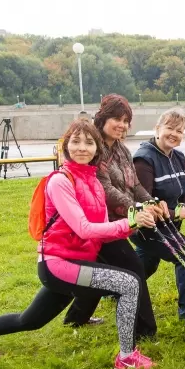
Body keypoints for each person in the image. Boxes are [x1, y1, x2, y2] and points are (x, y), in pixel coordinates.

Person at [0, 119, 156, 369]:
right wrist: (128, 223)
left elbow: (101, 233)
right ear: (66, 146)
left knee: (29, 320)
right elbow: (83, 228)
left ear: (97, 149)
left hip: (74, 264)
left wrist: (137, 223)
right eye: (76, 141)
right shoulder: (60, 181)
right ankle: (126, 357)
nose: (82, 147)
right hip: (58, 264)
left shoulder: (93, 181)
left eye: (89, 142)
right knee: (129, 283)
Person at [63, 94, 158, 340]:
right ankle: (145, 331)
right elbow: (104, 188)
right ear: (103, 117)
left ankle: (76, 318)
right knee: (133, 266)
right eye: (117, 118)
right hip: (99, 224)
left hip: (119, 222)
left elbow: (134, 184)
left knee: (100, 270)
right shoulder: (94, 148)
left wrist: (150, 202)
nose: (122, 125)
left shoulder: (122, 149)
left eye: (126, 120)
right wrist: (136, 209)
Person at [132, 108, 185, 325]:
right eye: (170, 128)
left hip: (170, 225)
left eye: (179, 131)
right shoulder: (143, 160)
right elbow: (145, 204)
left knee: (146, 263)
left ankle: (117, 289)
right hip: (147, 228)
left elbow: (184, 191)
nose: (174, 134)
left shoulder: (178, 156)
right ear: (157, 129)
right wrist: (176, 213)